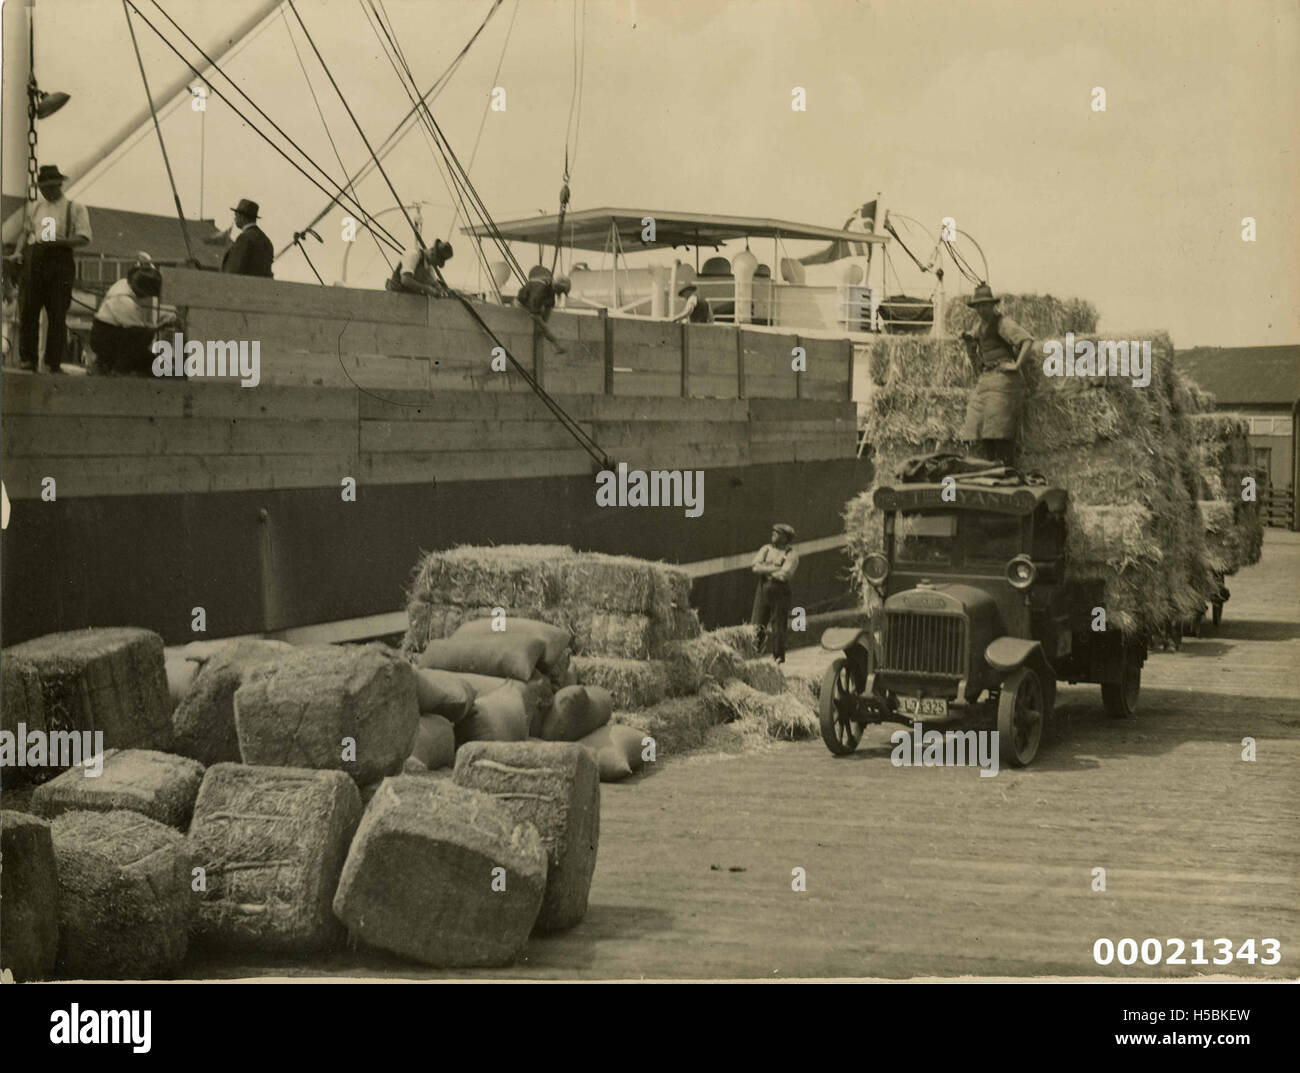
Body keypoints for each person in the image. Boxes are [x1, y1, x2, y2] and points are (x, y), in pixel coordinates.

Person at [7, 164, 92, 373]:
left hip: (59, 261)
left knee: (56, 314)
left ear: (59, 185)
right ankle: (28, 359)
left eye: (51, 187)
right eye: (43, 187)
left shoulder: (76, 208)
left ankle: (52, 362)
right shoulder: (35, 207)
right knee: (28, 311)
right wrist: (18, 252)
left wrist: (58, 242)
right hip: (34, 259)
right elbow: (26, 233)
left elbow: (84, 239)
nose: (47, 191)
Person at [959, 283, 1034, 466]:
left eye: (985, 305)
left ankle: (1005, 470)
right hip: (987, 380)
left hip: (1003, 380)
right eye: (979, 305)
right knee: (977, 425)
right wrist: (968, 339)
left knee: (998, 427)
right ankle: (991, 469)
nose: (982, 309)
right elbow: (975, 340)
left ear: (992, 305)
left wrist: (1016, 366)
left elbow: (1027, 340)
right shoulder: (980, 326)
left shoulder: (1003, 323)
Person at [90, 256, 178, 377]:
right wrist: (161, 325)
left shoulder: (123, 283)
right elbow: (141, 331)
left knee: (155, 363)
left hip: (105, 333)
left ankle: (106, 363)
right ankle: (118, 369)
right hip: (105, 338)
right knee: (142, 337)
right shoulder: (124, 301)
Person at [750, 523, 800, 663]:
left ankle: (778, 657)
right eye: (773, 532)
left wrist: (765, 568)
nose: (773, 534)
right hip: (762, 590)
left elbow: (785, 575)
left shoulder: (792, 554)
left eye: (777, 533)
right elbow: (755, 567)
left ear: (785, 538)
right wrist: (775, 569)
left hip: (780, 593)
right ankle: (754, 655)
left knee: (778, 625)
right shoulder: (765, 549)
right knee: (756, 624)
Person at [516, 268, 570, 353]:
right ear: (557, 286)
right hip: (522, 303)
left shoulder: (550, 290)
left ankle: (556, 346)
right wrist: (554, 341)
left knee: (543, 326)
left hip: (535, 305)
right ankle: (557, 346)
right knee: (542, 325)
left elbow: (548, 310)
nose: (558, 294)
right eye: (560, 291)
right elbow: (534, 314)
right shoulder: (539, 288)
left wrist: (544, 326)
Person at [220, 199, 274, 277]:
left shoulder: (244, 238)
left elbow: (233, 272)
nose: (235, 219)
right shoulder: (266, 240)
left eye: (236, 216)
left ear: (242, 217)